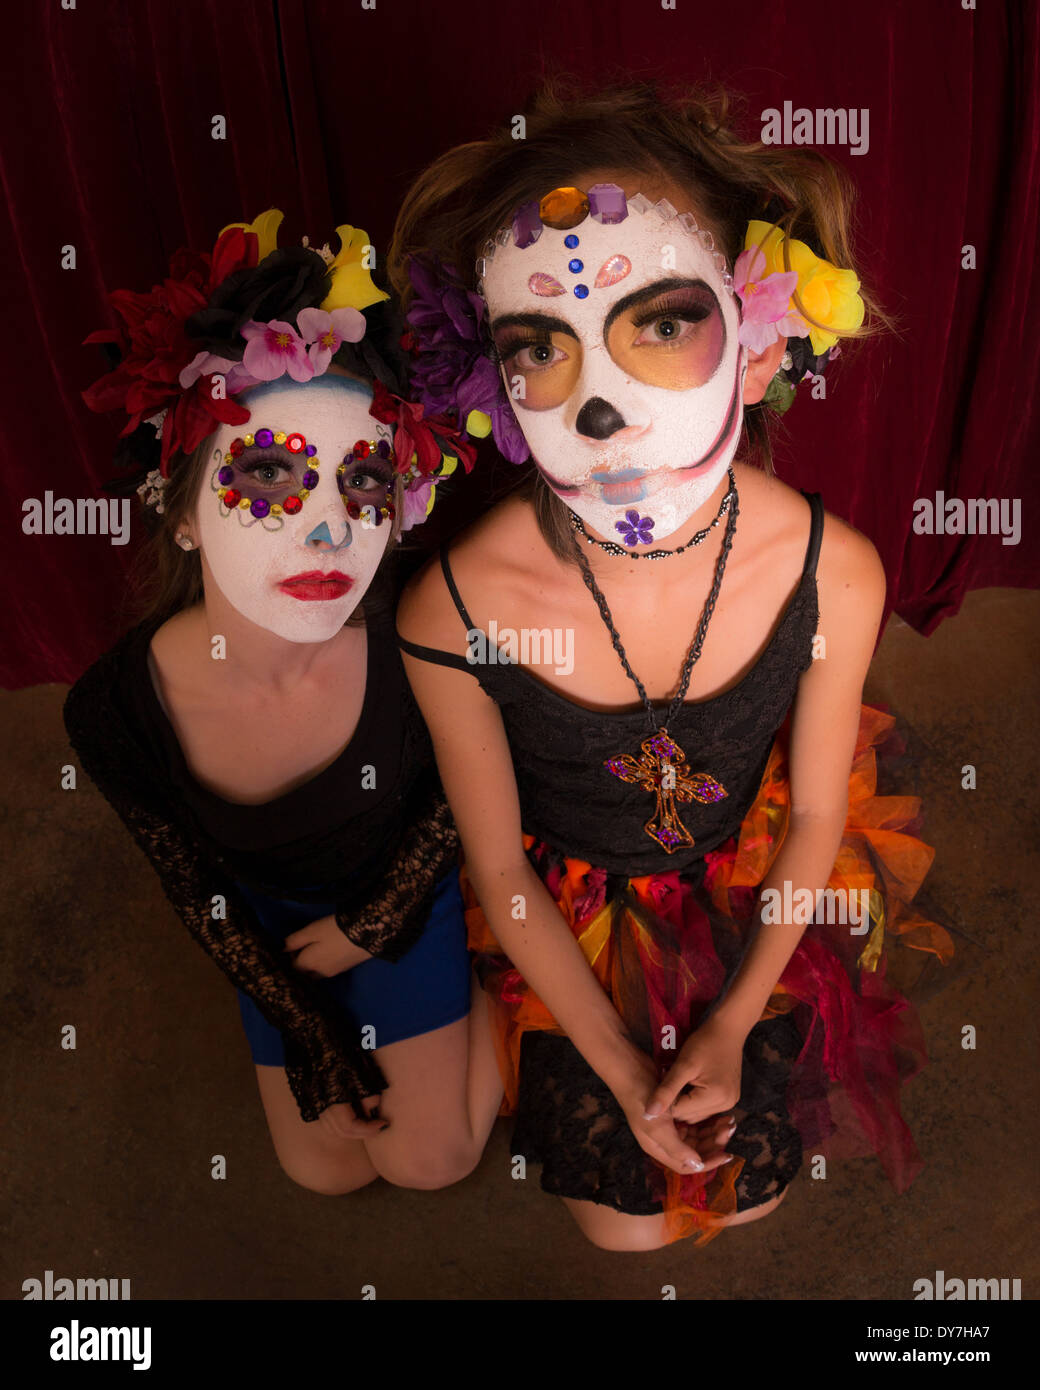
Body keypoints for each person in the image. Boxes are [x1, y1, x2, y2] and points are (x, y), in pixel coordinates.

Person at [391, 81, 952, 1250]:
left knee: (759, 1181)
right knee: (621, 1228)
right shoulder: (452, 611)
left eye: (658, 321)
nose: (599, 408)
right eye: (538, 345)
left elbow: (806, 825)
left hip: (747, 877)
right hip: (565, 906)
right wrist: (612, 1052)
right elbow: (494, 862)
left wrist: (736, 1019)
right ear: (495, 388)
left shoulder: (831, 574)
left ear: (754, 342)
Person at [63, 209, 503, 1197]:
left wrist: (375, 922)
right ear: (180, 515)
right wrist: (301, 1023)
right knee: (322, 1171)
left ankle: (490, 992)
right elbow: (193, 886)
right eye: (270, 474)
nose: (327, 536)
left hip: (404, 891)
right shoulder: (113, 708)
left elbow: (455, 802)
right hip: (267, 924)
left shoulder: (418, 627)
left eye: (362, 486)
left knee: (427, 1159)